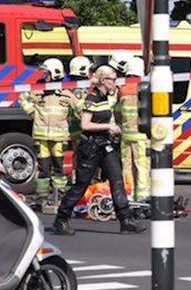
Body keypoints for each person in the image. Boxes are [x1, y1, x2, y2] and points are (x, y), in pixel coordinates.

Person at [52, 65, 146, 235]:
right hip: (91, 147)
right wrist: (108, 126)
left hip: (105, 145)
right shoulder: (92, 98)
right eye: (113, 79)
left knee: (117, 180)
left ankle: (126, 220)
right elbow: (85, 124)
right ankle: (61, 219)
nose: (116, 83)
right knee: (81, 184)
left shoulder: (105, 97)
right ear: (104, 81)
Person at [19, 58, 73, 196]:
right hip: (41, 135)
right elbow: (22, 97)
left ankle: (59, 193)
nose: (45, 76)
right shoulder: (38, 88)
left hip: (59, 137)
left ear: (55, 73)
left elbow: (78, 107)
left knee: (59, 167)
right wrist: (31, 111)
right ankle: (42, 195)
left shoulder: (66, 91)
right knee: (44, 167)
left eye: (47, 73)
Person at [115, 55, 150, 203]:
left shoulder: (121, 88)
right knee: (142, 166)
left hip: (126, 135)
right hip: (141, 136)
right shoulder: (145, 87)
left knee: (127, 166)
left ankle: (128, 194)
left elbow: (116, 111)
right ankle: (142, 196)